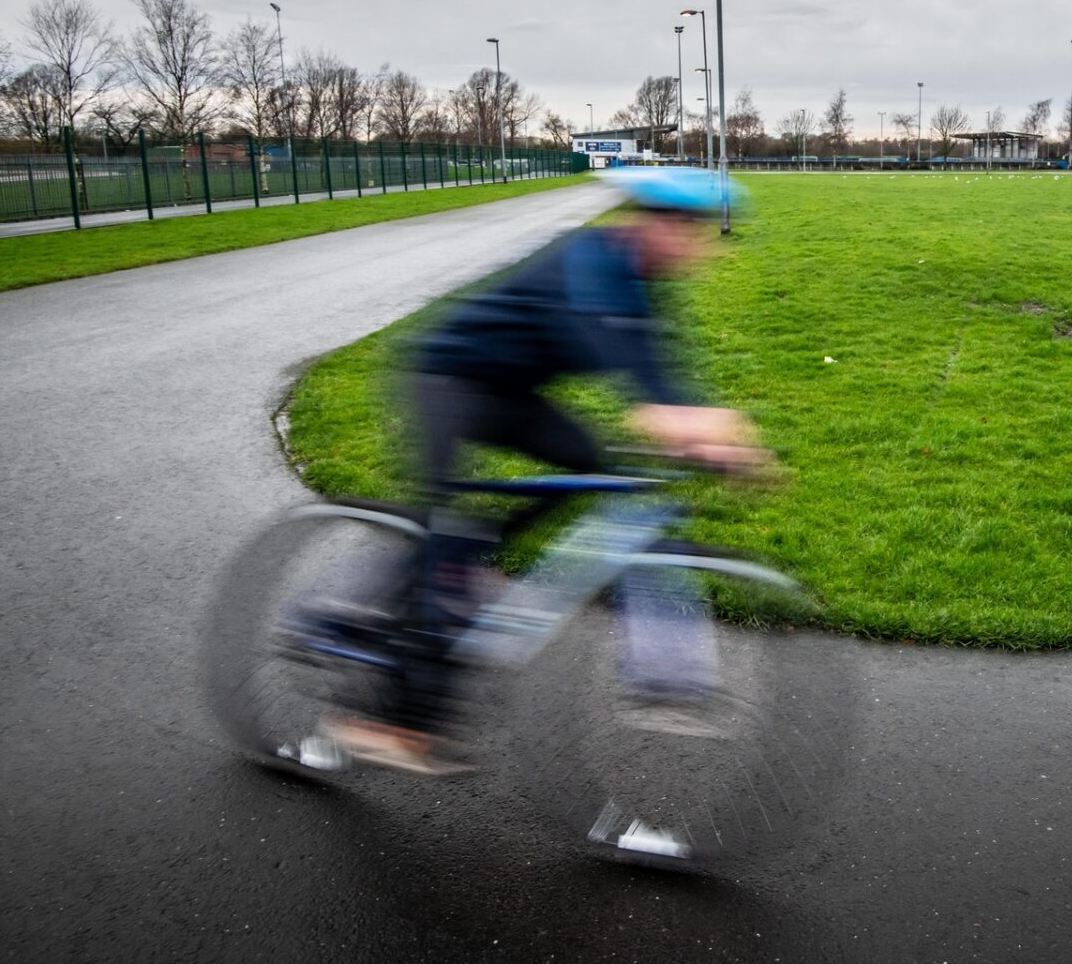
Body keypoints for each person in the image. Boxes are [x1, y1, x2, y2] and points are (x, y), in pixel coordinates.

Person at [322, 167, 758, 773]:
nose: (698, 247)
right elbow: (611, 347)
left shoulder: (642, 282)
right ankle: (397, 723)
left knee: (591, 467)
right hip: (446, 379)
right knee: (444, 529)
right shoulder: (591, 263)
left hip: (508, 392)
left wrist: (694, 420)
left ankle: (476, 555)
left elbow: (656, 370)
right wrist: (684, 425)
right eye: (690, 231)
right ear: (652, 225)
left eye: (701, 233)